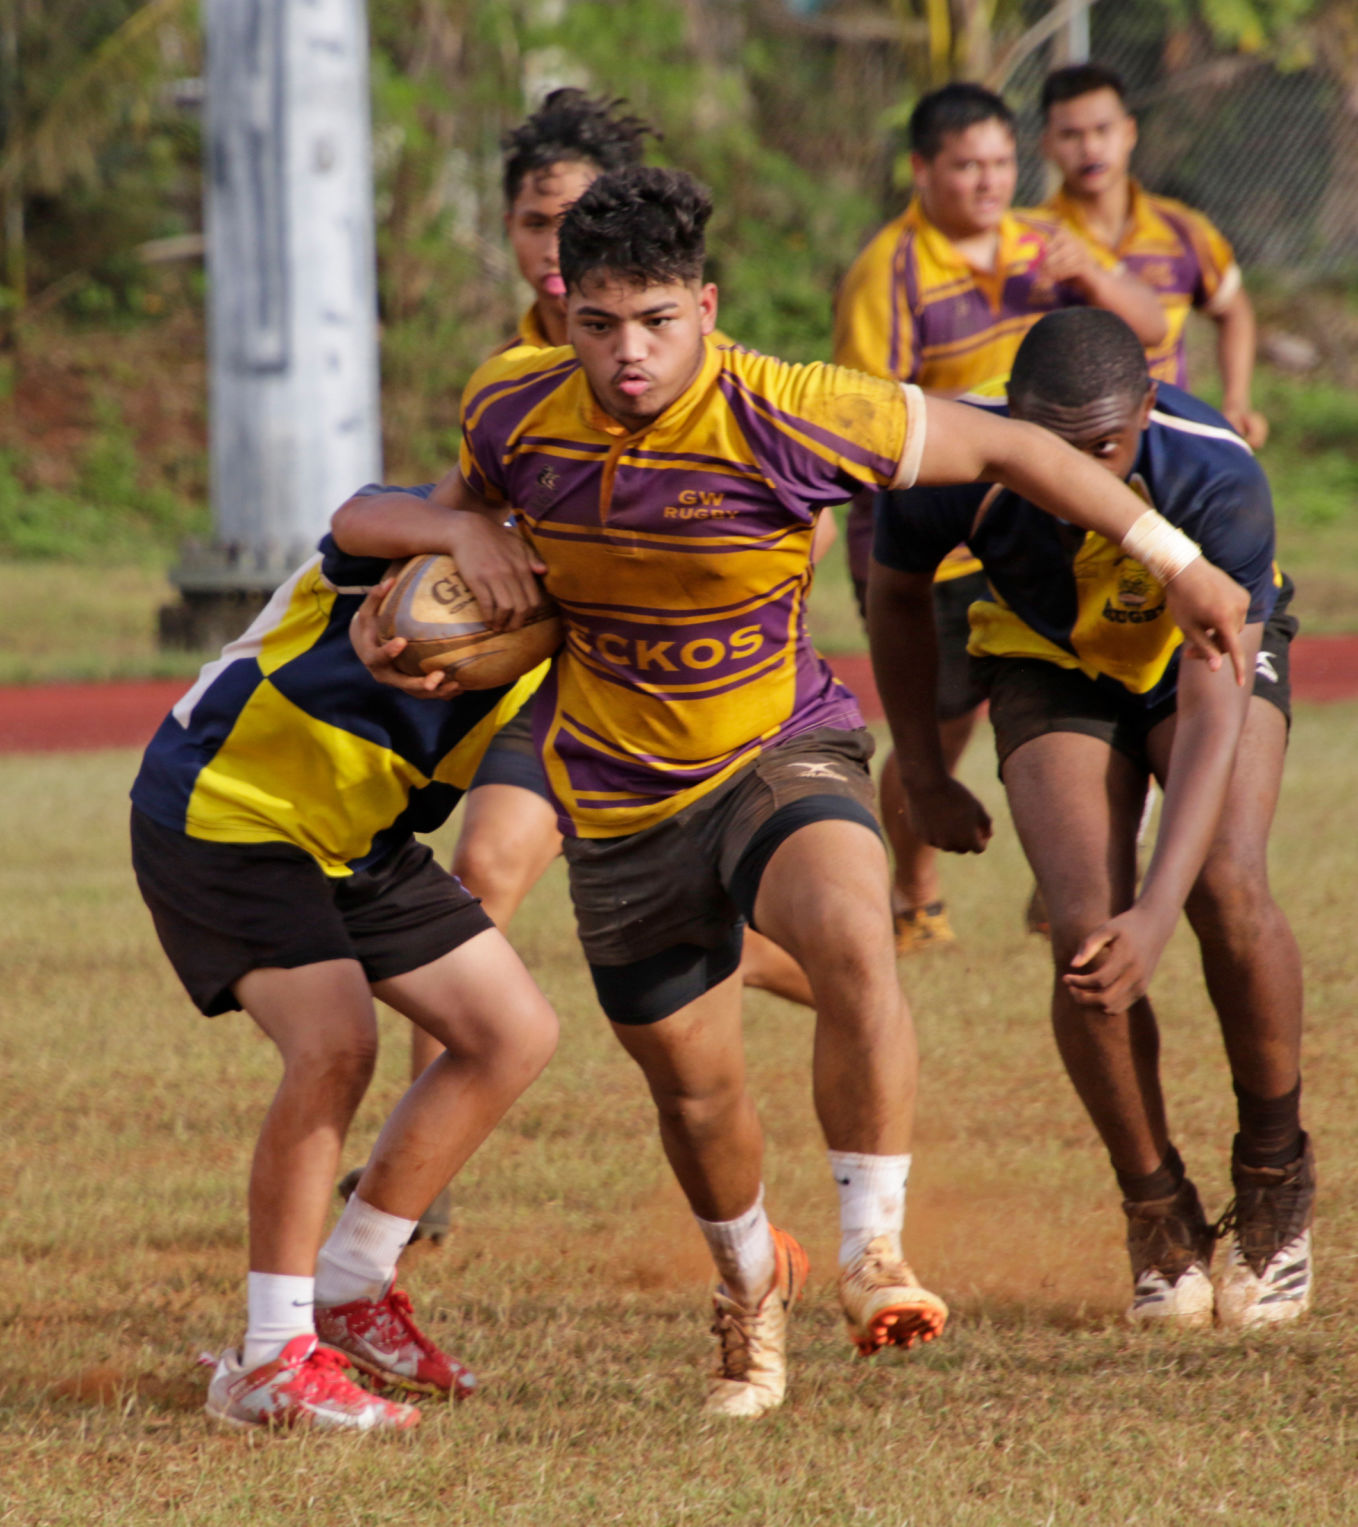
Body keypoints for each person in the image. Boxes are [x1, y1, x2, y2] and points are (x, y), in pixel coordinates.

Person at [335, 167, 1251, 1416]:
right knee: (696, 1091)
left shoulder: (796, 411)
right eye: (596, 326)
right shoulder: (510, 408)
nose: (628, 355)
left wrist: (1176, 559)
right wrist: (435, 563)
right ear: (561, 317)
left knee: (846, 934)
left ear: (704, 307)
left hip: (778, 745)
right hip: (611, 794)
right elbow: (401, 517)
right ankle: (747, 1292)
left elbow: (1016, 446)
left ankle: (873, 1251)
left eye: (656, 321)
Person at [868, 307, 1311, 1331]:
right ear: (1010, 418)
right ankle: (1155, 1210)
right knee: (1080, 933)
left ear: (1145, 409)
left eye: (1102, 448)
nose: (1073, 474)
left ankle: (1275, 1179)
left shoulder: (1213, 473)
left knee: (1223, 884)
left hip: (1201, 661)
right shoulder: (951, 457)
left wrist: (1159, 910)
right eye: (1046, 447)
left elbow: (1211, 703)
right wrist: (925, 771)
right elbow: (892, 596)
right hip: (1048, 659)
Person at [129, 518, 559, 1430]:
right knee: (333, 1046)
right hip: (228, 809)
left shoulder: (582, 624)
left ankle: (350, 1287)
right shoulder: (437, 530)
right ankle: (272, 1361)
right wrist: (458, 531)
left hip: (358, 843)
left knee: (511, 1033)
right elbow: (362, 518)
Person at [833, 82, 1168, 954]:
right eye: (966, 164)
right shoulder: (889, 270)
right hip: (936, 544)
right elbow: (873, 420)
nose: (988, 181)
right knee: (938, 728)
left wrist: (1092, 273)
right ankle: (913, 892)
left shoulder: (1044, 242)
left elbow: (1146, 327)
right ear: (922, 170)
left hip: (1049, 531)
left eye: (999, 162)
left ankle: (1069, 878)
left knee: (1086, 689)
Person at [1039, 62, 1268, 448]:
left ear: (1129, 132)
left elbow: (1233, 311)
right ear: (1046, 144)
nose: (1090, 147)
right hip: (1068, 454)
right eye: (1070, 134)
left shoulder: (1182, 230)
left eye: (1102, 130)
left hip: (1170, 443)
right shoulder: (1033, 240)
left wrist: (1236, 401)